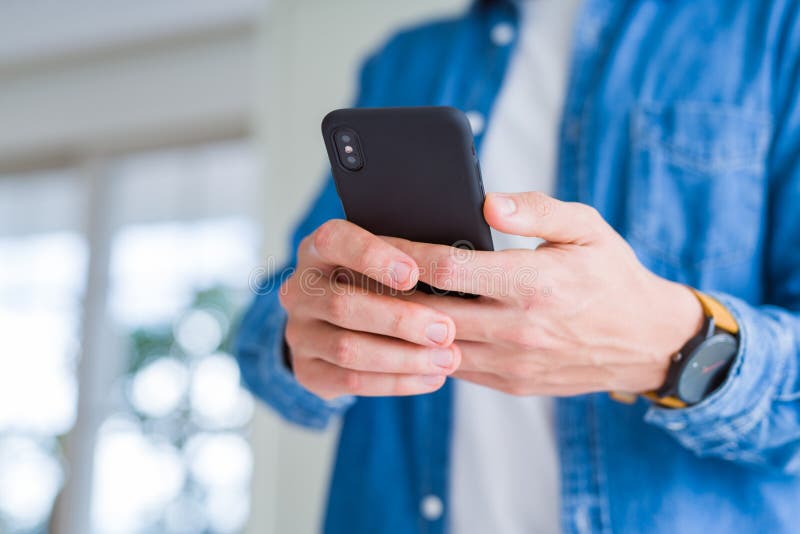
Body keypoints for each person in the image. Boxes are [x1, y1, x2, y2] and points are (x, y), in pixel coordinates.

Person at [235, 0, 800, 532]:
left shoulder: (774, 27)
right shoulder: (403, 63)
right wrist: (306, 335)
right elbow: (274, 308)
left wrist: (672, 348)